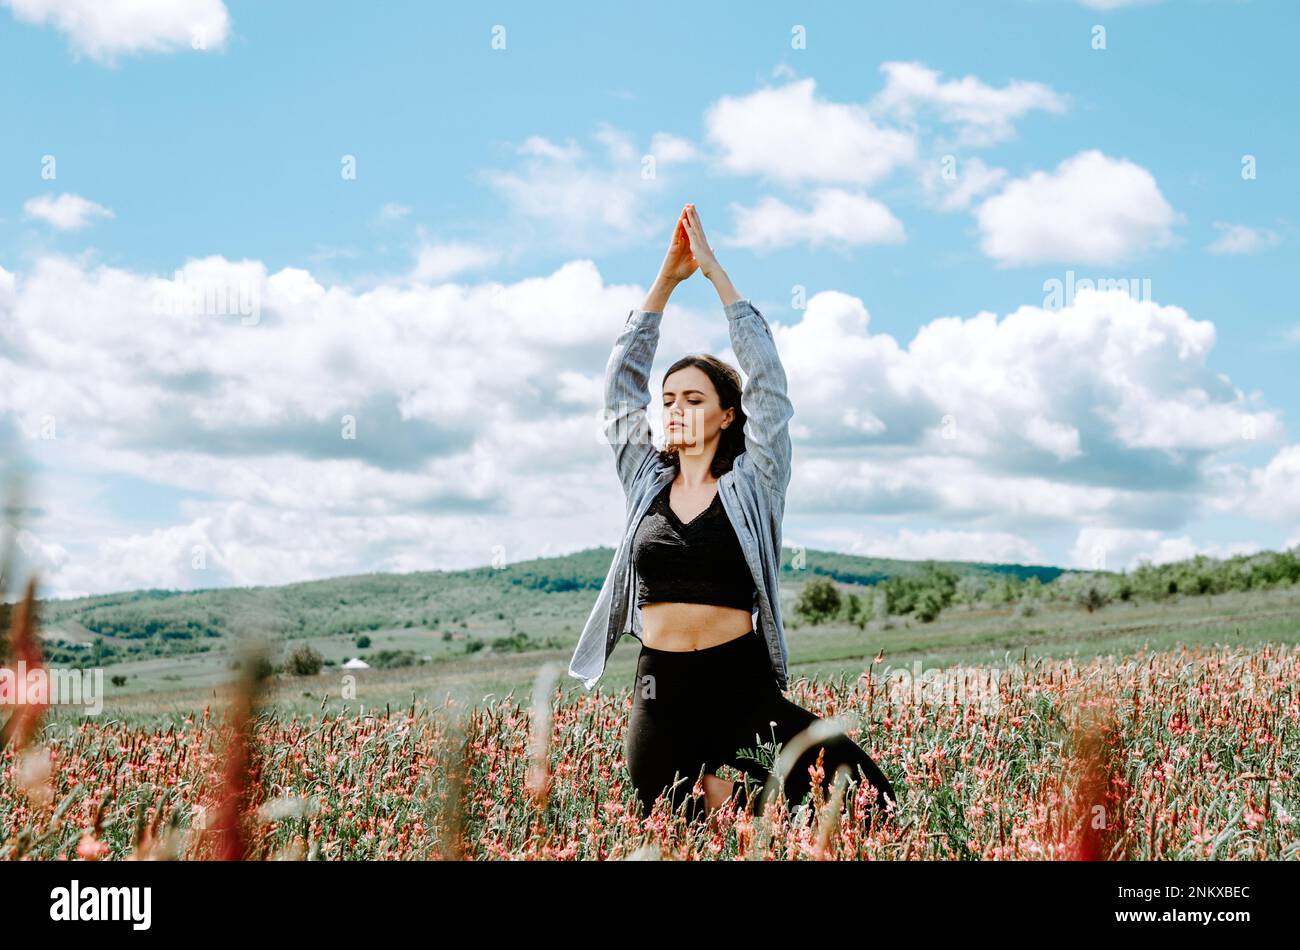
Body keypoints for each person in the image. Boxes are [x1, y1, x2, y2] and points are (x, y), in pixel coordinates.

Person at [568, 203, 898, 830]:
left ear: (727, 415)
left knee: (850, 800)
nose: (675, 408)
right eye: (668, 400)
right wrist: (665, 280)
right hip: (657, 687)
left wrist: (716, 275)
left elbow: (770, 383)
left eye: (694, 398)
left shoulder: (755, 483)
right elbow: (620, 387)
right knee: (670, 826)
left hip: (736, 683)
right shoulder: (645, 479)